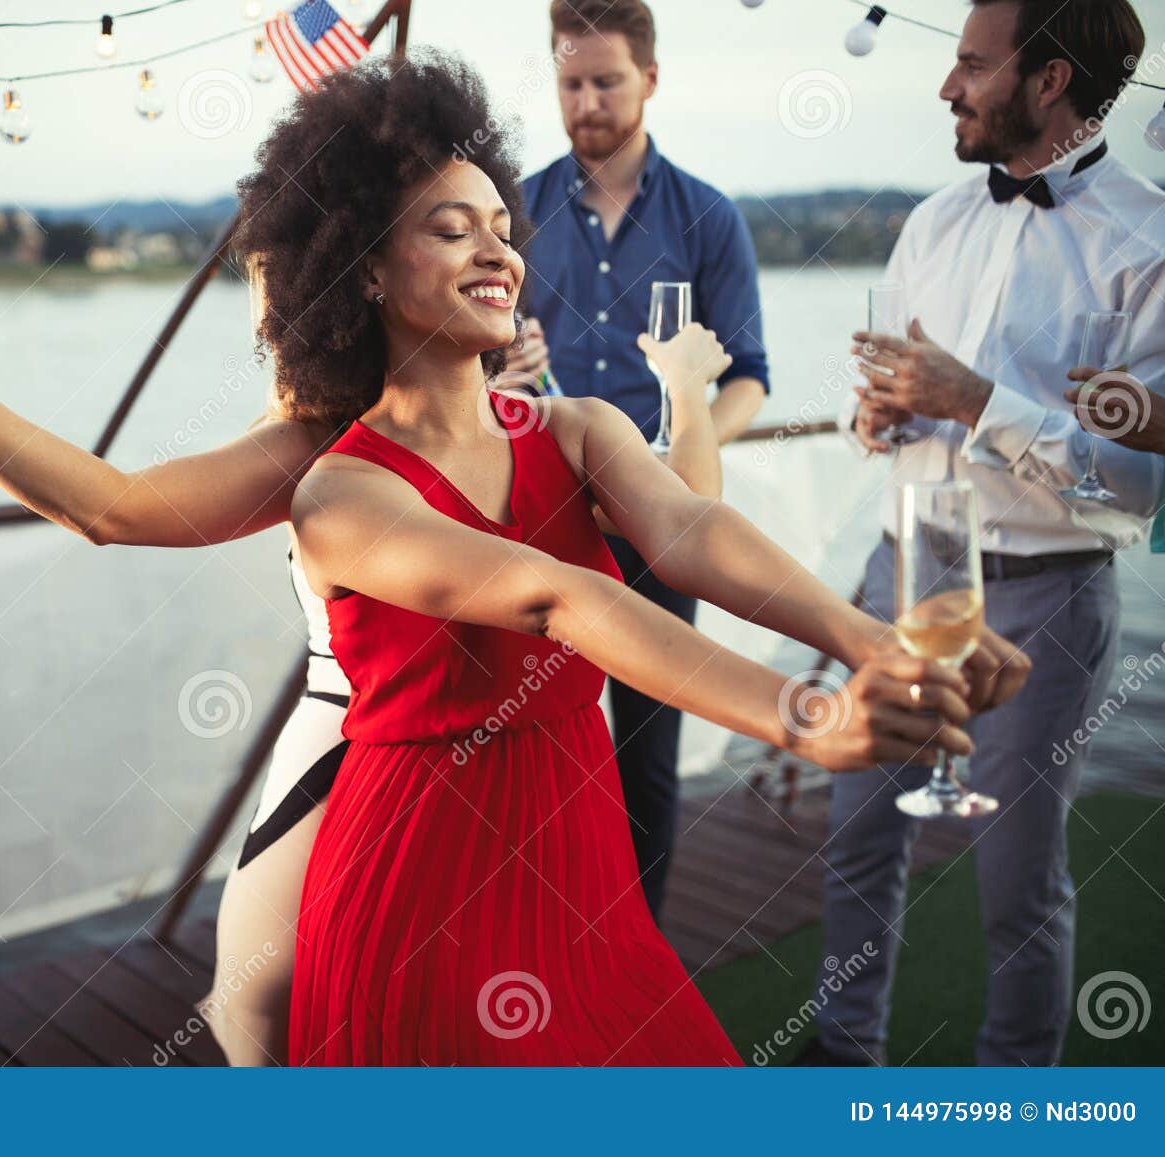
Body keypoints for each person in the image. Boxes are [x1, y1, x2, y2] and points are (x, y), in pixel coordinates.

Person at [232, 49, 1024, 1065]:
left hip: (581, 852)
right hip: (420, 880)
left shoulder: (577, 427)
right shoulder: (340, 492)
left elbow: (691, 527)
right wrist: (803, 714)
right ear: (367, 268)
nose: (497, 252)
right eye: (451, 229)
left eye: (501, 228)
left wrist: (876, 642)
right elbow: (556, 597)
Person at [0, 218, 727, 1068]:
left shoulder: (537, 427)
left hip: (528, 774)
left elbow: (682, 529)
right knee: (261, 1008)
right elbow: (109, 506)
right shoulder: (319, 444)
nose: (270, 313)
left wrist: (682, 391)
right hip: (353, 760)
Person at [814, 0, 1163, 1067]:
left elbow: (1135, 485)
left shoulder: (1150, 244)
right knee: (855, 837)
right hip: (900, 577)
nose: (946, 86)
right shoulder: (933, 222)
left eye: (972, 64)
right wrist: (877, 416)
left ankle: (1015, 1098)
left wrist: (976, 402)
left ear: (1049, 80)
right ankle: (841, 1057)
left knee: (1017, 879)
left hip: (1045, 597)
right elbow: (895, 399)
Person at [510, 0, 771, 923]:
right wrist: (499, 371)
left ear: (650, 79)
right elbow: (466, 362)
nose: (586, 102)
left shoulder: (708, 216)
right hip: (536, 521)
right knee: (533, 745)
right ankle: (543, 938)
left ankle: (638, 946)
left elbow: (751, 378)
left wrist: (679, 456)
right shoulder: (514, 211)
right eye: (570, 83)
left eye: (606, 82)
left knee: (646, 754)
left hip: (659, 522)